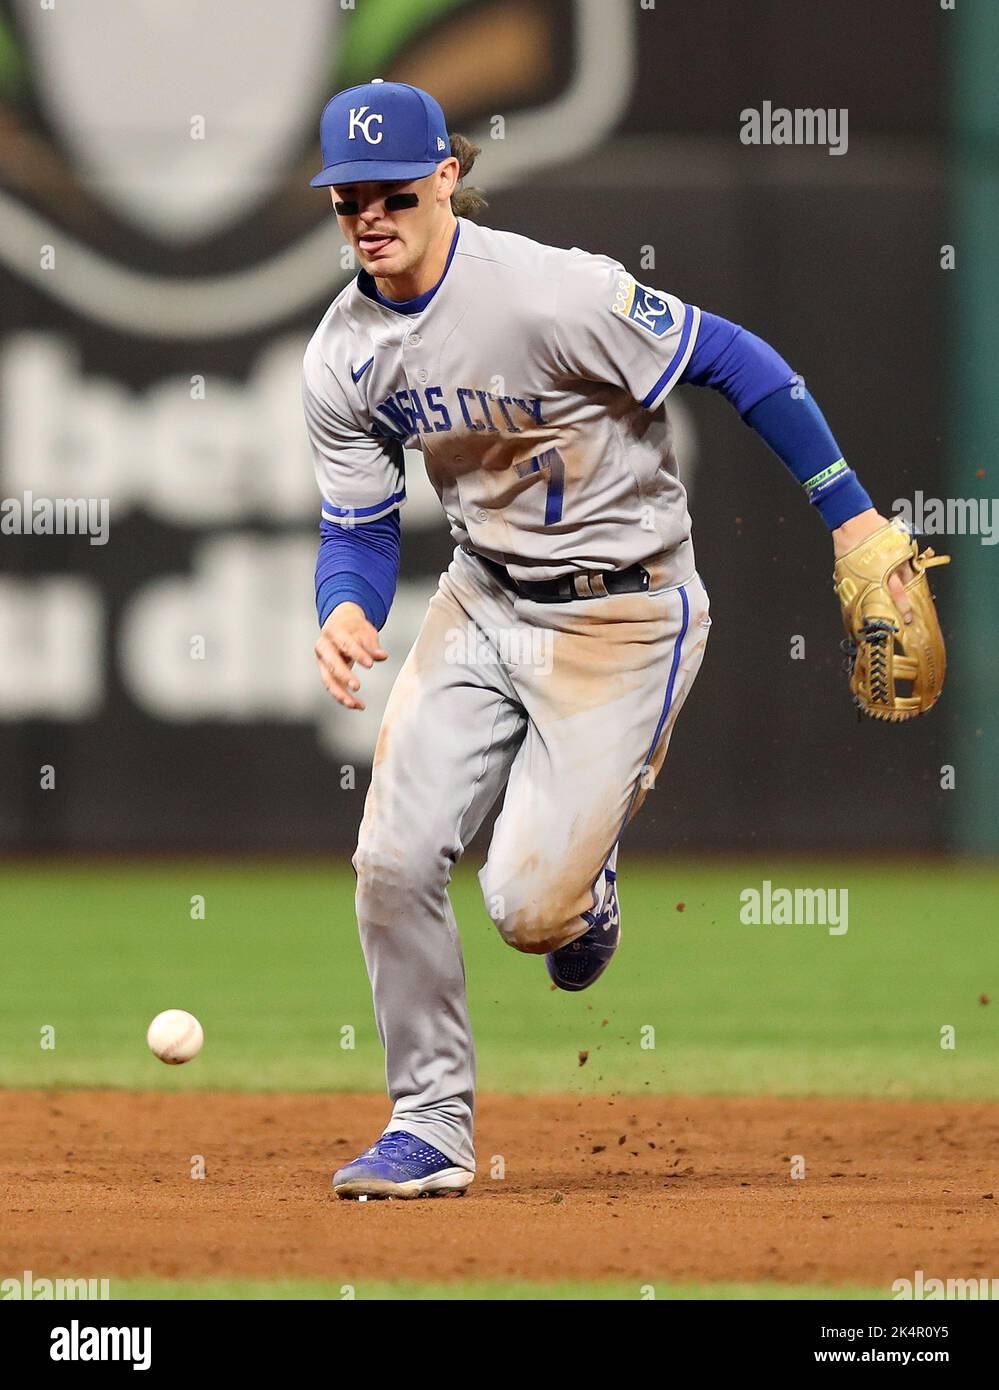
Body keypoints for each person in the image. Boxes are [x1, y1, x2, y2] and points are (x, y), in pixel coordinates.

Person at [303, 80, 910, 1200]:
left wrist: (854, 513)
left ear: (447, 177)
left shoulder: (546, 290)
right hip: (481, 598)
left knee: (529, 911)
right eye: (347, 201)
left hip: (626, 613)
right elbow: (356, 518)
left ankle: (585, 884)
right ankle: (429, 1122)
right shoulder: (341, 354)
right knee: (390, 859)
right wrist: (343, 601)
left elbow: (738, 359)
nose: (368, 217)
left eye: (391, 191)